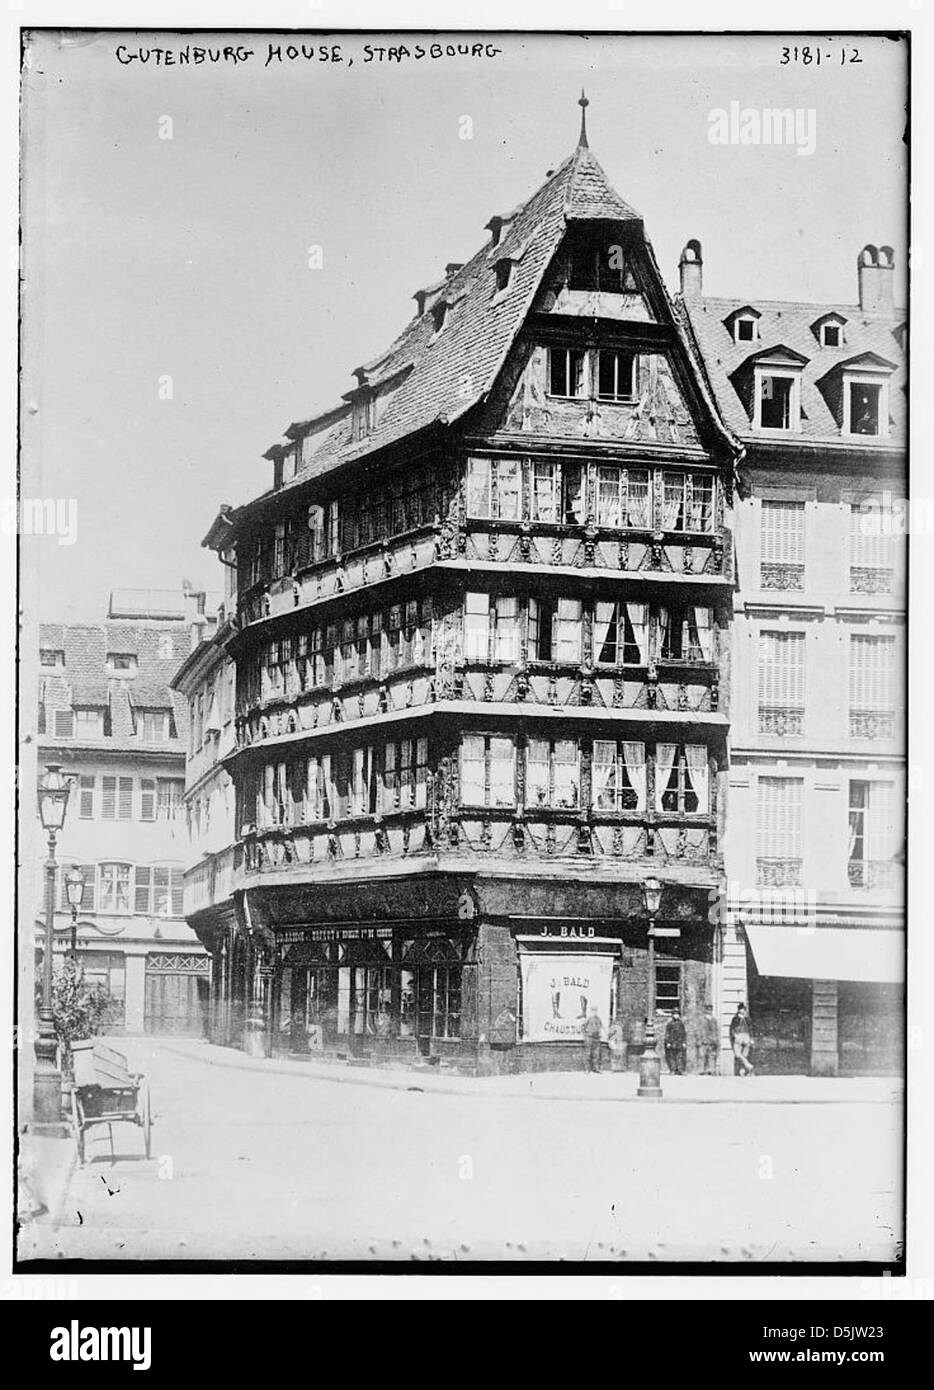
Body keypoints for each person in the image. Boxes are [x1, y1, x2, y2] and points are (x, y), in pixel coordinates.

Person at [729, 1002, 755, 1075]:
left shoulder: (746, 1019)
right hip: (740, 1036)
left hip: (745, 1036)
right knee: (739, 1054)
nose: (742, 1011)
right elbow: (732, 1029)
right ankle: (747, 1066)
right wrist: (734, 1035)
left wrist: (751, 1038)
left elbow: (750, 1029)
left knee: (742, 1055)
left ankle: (743, 1069)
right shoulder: (736, 1018)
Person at [664, 1010, 687, 1075]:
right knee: (672, 1056)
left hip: (679, 1042)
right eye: (675, 1014)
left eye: (677, 1014)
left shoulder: (681, 1024)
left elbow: (684, 1033)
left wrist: (684, 1042)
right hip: (672, 1042)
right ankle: (673, 1070)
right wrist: (668, 1042)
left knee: (679, 1056)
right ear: (672, 1015)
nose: (676, 1016)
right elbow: (667, 1033)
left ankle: (680, 1070)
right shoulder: (670, 1023)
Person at [582, 1004, 604, 1073]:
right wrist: (586, 1034)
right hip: (589, 1037)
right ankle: (587, 1069)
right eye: (593, 1011)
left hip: (596, 1037)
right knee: (588, 1053)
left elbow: (601, 1026)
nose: (595, 1012)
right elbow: (583, 1027)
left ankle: (596, 1068)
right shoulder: (588, 1019)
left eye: (596, 1011)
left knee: (596, 1054)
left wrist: (600, 1033)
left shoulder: (598, 1019)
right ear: (591, 1011)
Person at [700, 1003, 720, 1075]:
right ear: (706, 1011)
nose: (709, 1011)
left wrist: (716, 1039)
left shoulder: (714, 1020)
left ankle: (712, 1070)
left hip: (713, 1041)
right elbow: (702, 1031)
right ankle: (704, 1070)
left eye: (710, 1010)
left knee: (712, 1055)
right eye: (708, 1010)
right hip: (706, 1040)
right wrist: (703, 1039)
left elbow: (716, 1030)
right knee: (705, 1055)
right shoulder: (703, 1020)